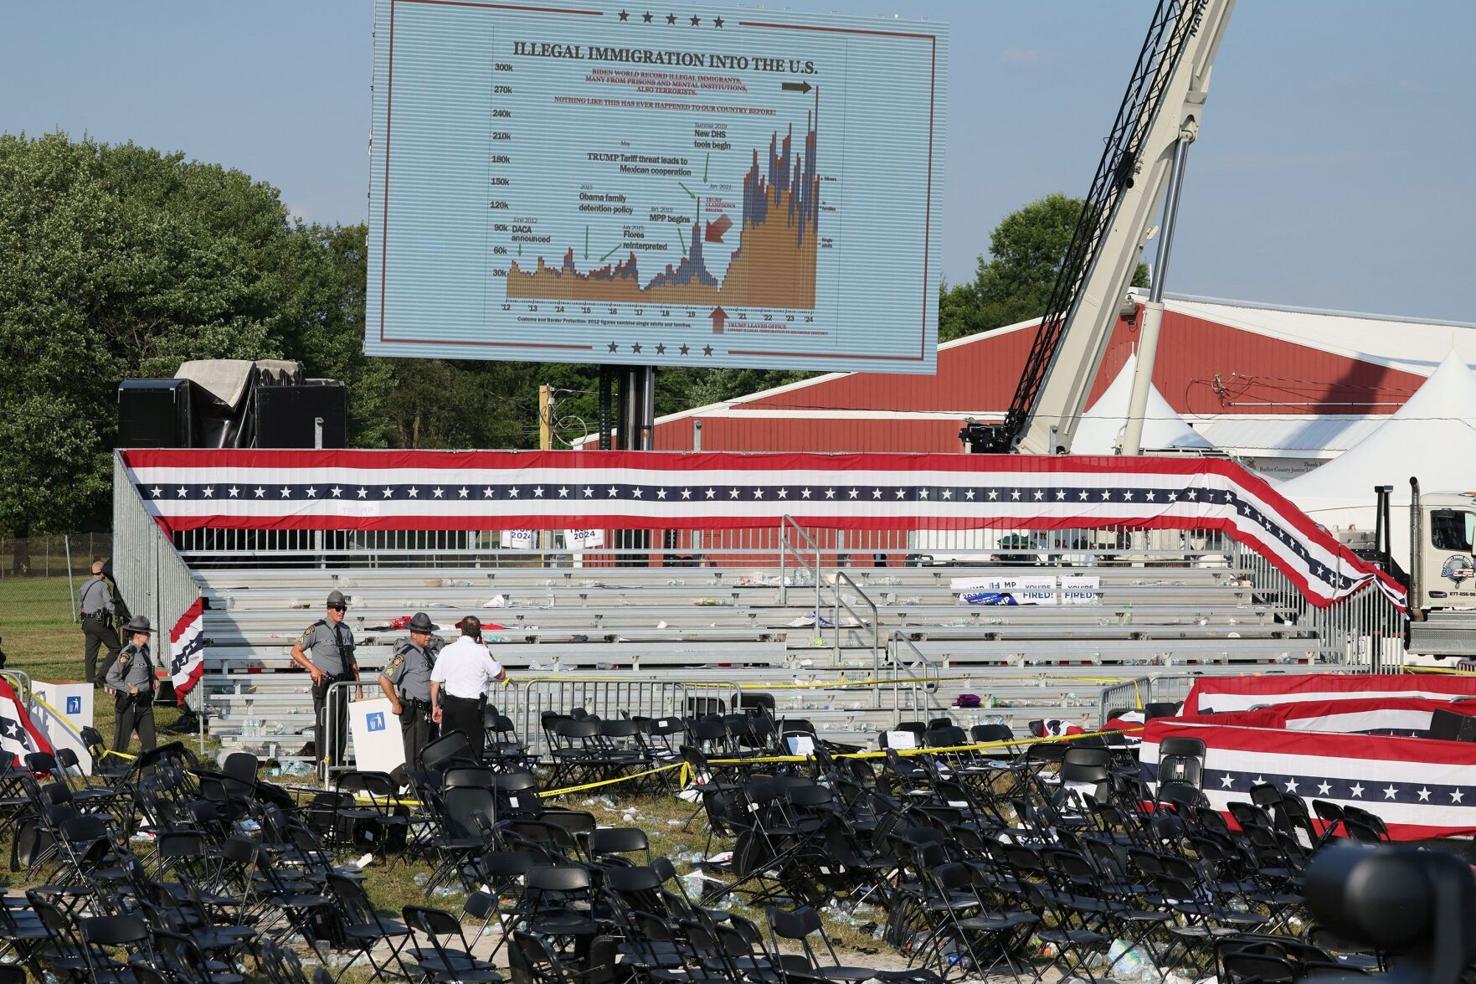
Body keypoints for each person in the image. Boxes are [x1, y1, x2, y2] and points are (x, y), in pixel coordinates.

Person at [290, 589, 358, 768]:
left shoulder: (346, 631)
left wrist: (358, 687)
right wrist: (313, 668)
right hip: (326, 685)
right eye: (337, 608)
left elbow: (352, 660)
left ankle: (335, 768)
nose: (341, 611)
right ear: (328, 609)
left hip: (343, 685)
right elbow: (295, 651)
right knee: (326, 727)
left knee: (341, 728)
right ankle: (324, 769)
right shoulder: (316, 629)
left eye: (343, 608)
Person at [430, 616, 506, 761]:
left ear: (461, 630)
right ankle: (471, 781)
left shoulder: (447, 650)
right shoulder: (482, 651)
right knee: (472, 750)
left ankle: (451, 780)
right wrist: (488, 651)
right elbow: (500, 675)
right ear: (479, 633)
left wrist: (435, 706)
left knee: (450, 751)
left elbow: (434, 682)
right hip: (472, 708)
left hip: (451, 705)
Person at [378, 612, 442, 770]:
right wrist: (395, 703)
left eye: (429, 632)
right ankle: (415, 789)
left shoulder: (428, 653)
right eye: (424, 632)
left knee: (430, 755)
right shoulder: (405, 655)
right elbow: (384, 679)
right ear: (413, 634)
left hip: (428, 711)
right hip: (414, 712)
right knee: (415, 756)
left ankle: (427, 789)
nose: (428, 636)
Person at [106, 615, 158, 755]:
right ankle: (114, 773)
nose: (148, 636)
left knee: (150, 743)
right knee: (121, 745)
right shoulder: (128, 653)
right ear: (137, 635)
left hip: (144, 703)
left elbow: (146, 669)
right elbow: (111, 676)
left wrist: (154, 678)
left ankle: (149, 774)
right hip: (129, 705)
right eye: (145, 633)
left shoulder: (144, 650)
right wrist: (128, 689)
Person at [79, 560, 122, 685]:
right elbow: (109, 605)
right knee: (116, 648)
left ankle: (90, 681)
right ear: (102, 572)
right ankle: (101, 676)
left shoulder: (84, 586)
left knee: (90, 654)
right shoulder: (103, 586)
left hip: (87, 622)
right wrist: (119, 613)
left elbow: (81, 606)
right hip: (100, 622)